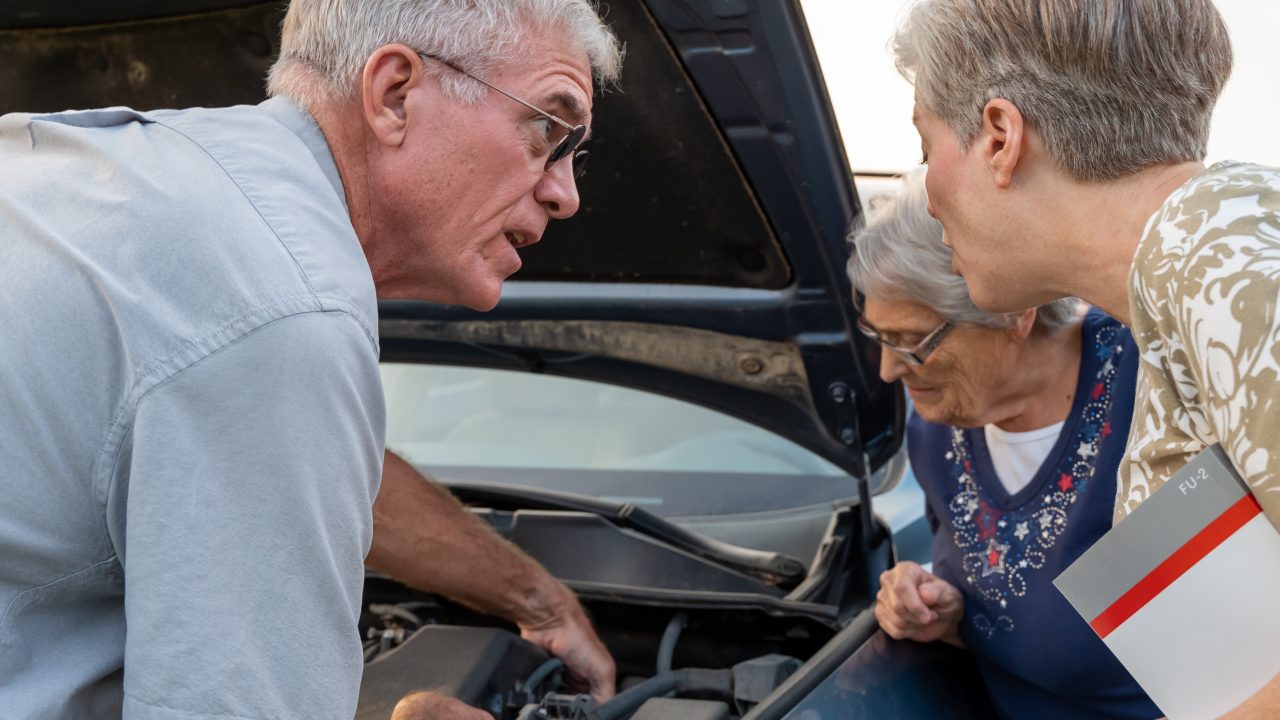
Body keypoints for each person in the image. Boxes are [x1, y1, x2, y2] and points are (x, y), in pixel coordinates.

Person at [0, 1, 622, 718]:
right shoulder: (279, 305)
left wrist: (538, 602)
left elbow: (267, 445)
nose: (565, 192)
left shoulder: (152, 184)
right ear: (394, 95)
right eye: (548, 128)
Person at [891, 0, 1280, 713]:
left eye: (925, 147)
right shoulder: (1171, 301)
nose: (930, 195)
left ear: (1001, 137)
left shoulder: (1234, 264)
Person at [851, 172, 1158, 718]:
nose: (888, 368)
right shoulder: (936, 429)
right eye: (878, 336)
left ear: (1014, 309)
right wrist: (941, 610)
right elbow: (998, 599)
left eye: (911, 341)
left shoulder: (1148, 387)